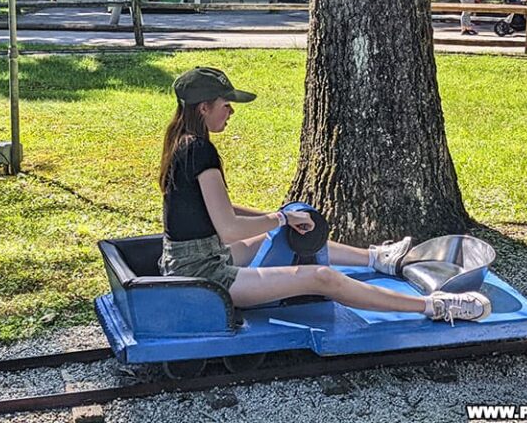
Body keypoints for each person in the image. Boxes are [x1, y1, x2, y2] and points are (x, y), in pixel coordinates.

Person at [157, 67, 492, 324]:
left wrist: (280, 219)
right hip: (206, 278)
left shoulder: (182, 143)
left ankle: (377, 259)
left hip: (192, 261)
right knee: (323, 278)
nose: (231, 112)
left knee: (287, 231)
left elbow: (219, 209)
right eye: (226, 105)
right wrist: (281, 217)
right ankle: (435, 306)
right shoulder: (200, 151)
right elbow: (228, 228)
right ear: (204, 108)